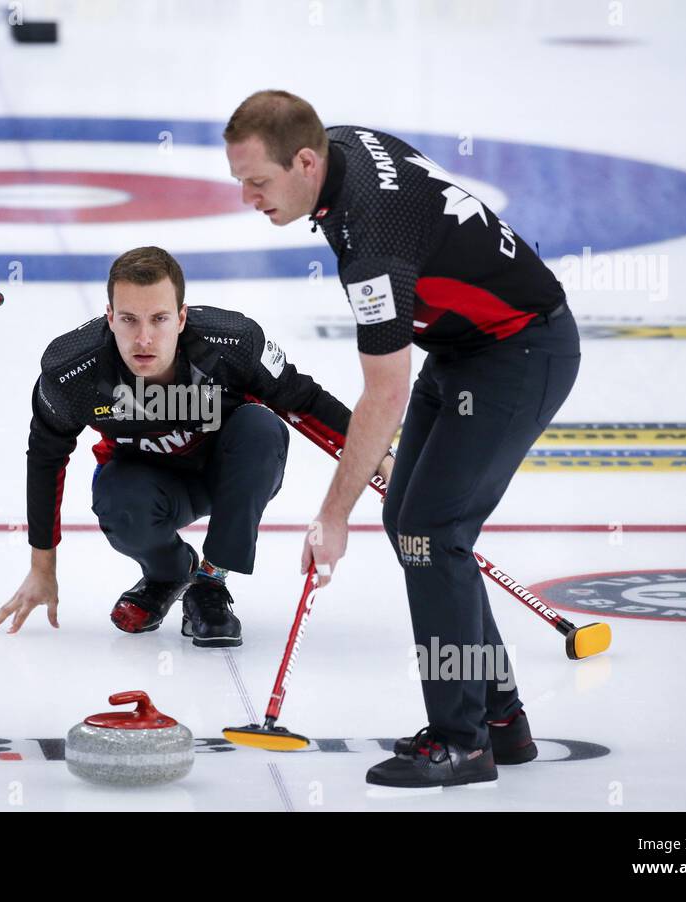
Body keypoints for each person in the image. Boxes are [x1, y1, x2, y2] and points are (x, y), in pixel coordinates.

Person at [224, 90, 581, 787]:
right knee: (411, 523)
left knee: (431, 533)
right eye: (240, 181)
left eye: (258, 182)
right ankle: (500, 718)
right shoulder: (341, 144)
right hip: (463, 348)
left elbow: (384, 393)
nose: (247, 198)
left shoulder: (373, 243)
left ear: (305, 163)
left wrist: (331, 516)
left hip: (519, 353)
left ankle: (461, 742)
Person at [0, 246, 379, 648]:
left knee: (261, 428)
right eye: (129, 319)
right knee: (119, 501)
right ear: (109, 317)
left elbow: (306, 401)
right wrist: (42, 567)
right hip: (147, 485)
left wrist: (381, 458)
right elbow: (46, 457)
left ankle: (211, 581)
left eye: (159, 319)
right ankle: (170, 572)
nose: (144, 338)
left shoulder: (232, 342)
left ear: (181, 317)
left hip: (229, 472)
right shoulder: (71, 373)